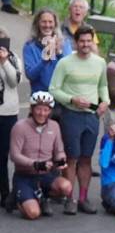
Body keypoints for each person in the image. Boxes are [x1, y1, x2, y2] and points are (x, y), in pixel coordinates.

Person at [49, 26, 108, 215]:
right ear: (75, 43)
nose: (85, 44)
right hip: (71, 115)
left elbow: (103, 86)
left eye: (88, 41)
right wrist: (72, 99)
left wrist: (105, 102)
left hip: (91, 116)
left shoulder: (100, 63)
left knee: (86, 158)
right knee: (72, 158)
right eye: (82, 41)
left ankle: (83, 197)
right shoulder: (65, 63)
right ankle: (70, 199)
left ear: (93, 41)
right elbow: (54, 89)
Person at [9, 91, 70, 219]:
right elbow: (14, 155)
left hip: (46, 175)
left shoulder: (54, 126)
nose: (42, 113)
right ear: (32, 109)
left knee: (66, 187)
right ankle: (17, 196)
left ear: (50, 111)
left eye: (45, 110)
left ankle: (43, 198)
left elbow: (59, 150)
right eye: (38, 109)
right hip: (25, 175)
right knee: (33, 214)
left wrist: (61, 160)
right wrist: (35, 164)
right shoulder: (20, 127)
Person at [21, 8, 68, 95]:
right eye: (44, 21)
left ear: (55, 24)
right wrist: (44, 60)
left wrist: (59, 54)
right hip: (40, 99)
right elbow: (30, 75)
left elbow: (69, 71)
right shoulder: (29, 46)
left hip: (61, 96)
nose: (47, 25)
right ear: (37, 24)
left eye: (50, 22)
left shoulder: (64, 43)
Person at [0, 36, 19, 209]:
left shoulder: (13, 58)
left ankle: (5, 194)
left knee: (4, 155)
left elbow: (14, 82)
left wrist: (4, 62)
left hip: (7, 113)